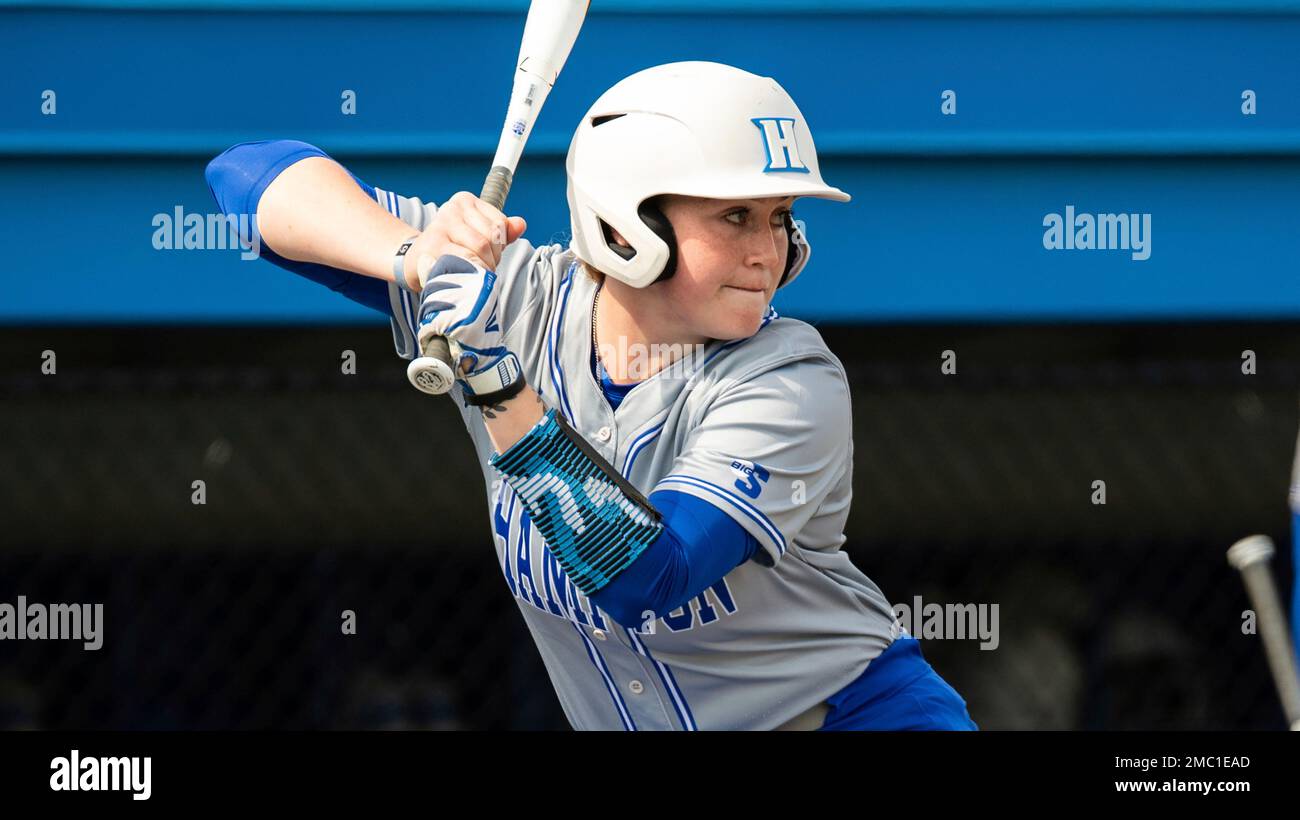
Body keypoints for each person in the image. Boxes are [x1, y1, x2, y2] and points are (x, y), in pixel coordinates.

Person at [206, 60, 977, 731]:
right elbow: (247, 175)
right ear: (625, 223)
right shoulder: (520, 297)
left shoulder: (789, 378)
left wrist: (496, 380)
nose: (766, 250)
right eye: (734, 216)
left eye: (779, 218)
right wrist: (416, 257)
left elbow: (648, 578)